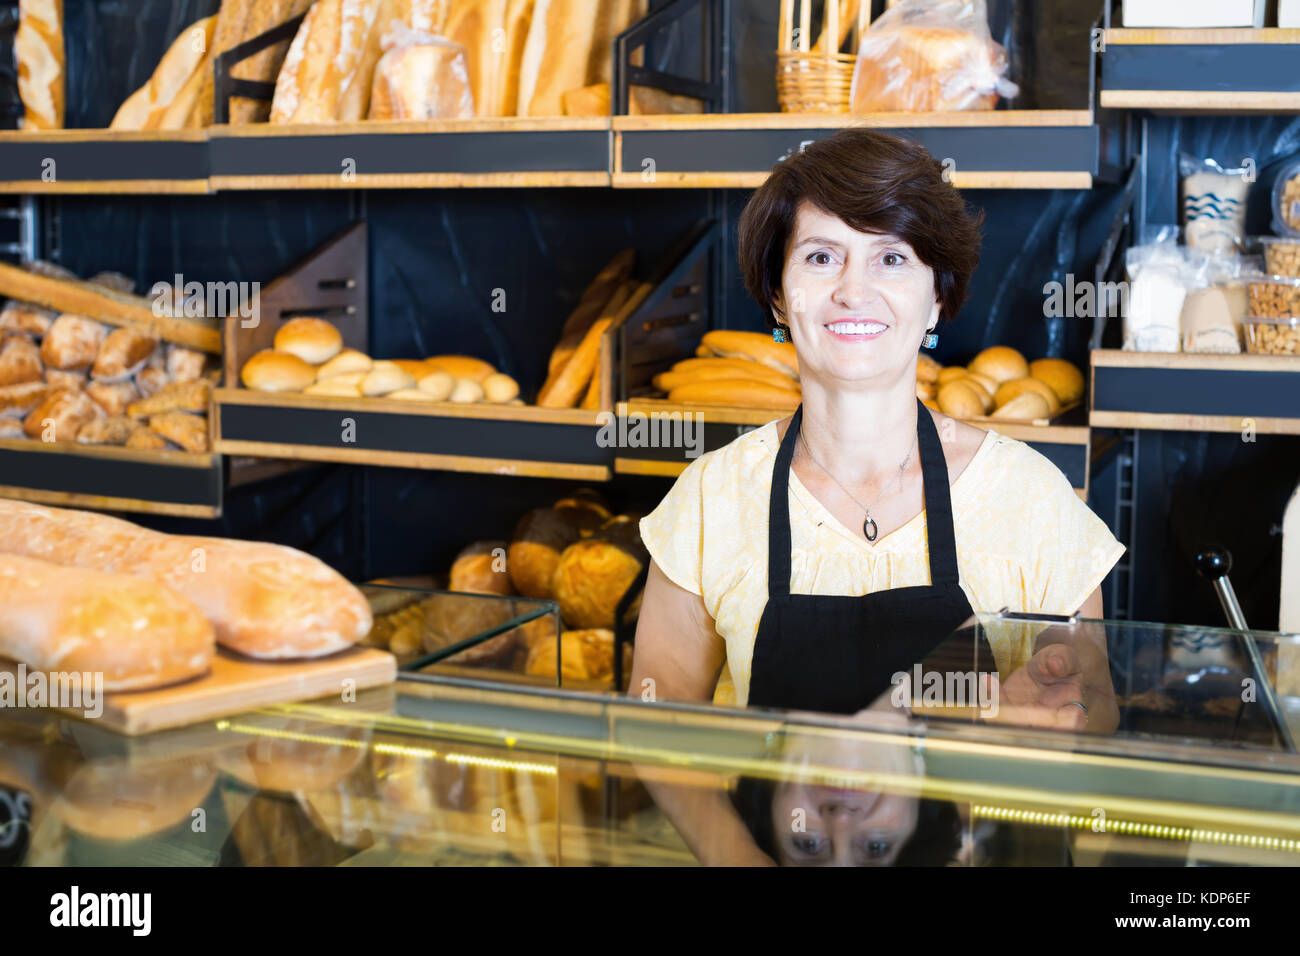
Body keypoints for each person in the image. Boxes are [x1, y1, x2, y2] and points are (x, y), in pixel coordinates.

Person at [629, 128, 1125, 865]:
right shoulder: (711, 498)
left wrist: (1064, 706)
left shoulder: (1031, 498)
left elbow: (1099, 716)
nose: (852, 290)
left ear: (936, 298)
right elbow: (655, 720)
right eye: (821, 256)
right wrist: (740, 858)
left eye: (891, 257)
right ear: (777, 293)